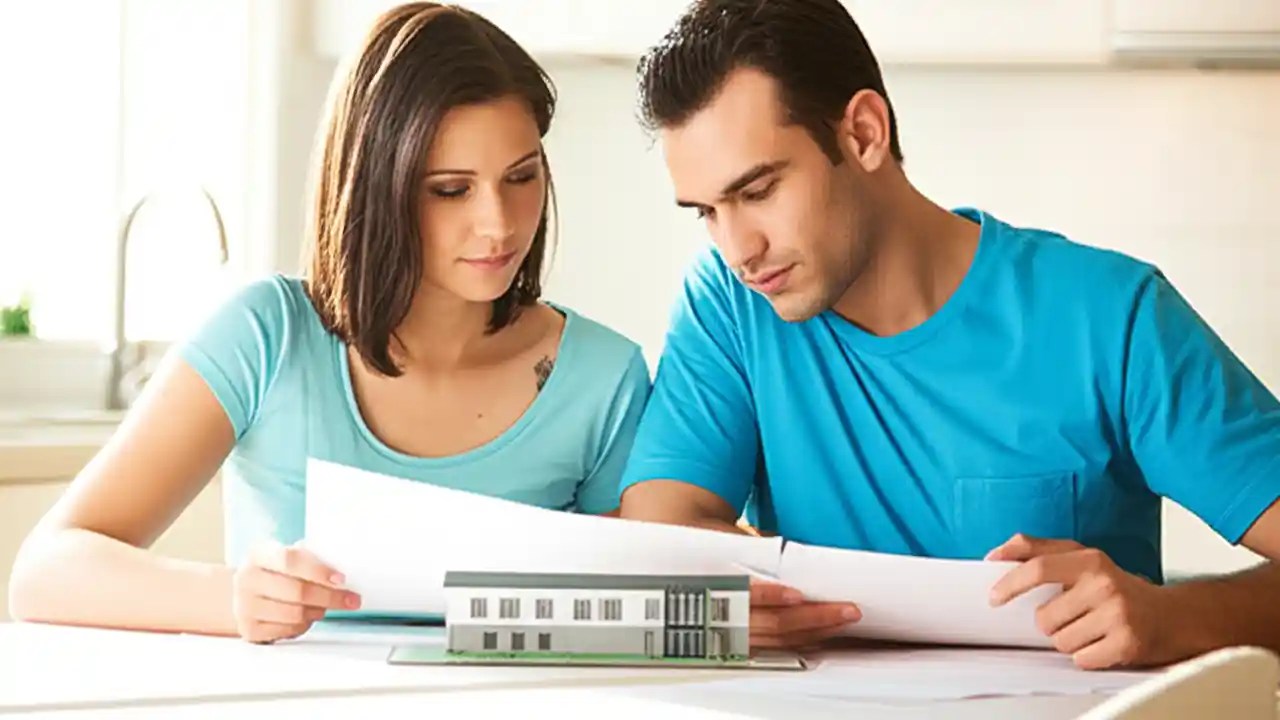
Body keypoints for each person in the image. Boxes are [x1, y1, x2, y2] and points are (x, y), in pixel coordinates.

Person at [618, 0, 1280, 669]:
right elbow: (661, 529)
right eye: (707, 212)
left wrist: (1173, 618)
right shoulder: (732, 306)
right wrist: (721, 600)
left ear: (865, 134)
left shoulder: (1112, 317)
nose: (738, 247)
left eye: (758, 191)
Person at [9, 2, 649, 644]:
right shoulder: (266, 337)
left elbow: (637, 614)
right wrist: (232, 598)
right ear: (376, 186)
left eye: (521, 176)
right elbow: (44, 573)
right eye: (451, 189)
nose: (500, 223)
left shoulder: (603, 376)